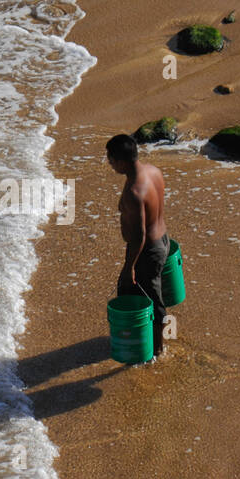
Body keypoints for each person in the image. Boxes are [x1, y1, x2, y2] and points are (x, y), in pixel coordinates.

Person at [106, 134, 169, 358]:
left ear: (121, 161)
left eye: (110, 159)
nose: (109, 163)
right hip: (162, 240)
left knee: (150, 299)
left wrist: (129, 267)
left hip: (147, 250)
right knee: (132, 292)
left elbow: (139, 235)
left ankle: (157, 349)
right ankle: (143, 338)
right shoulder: (152, 171)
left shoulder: (134, 191)